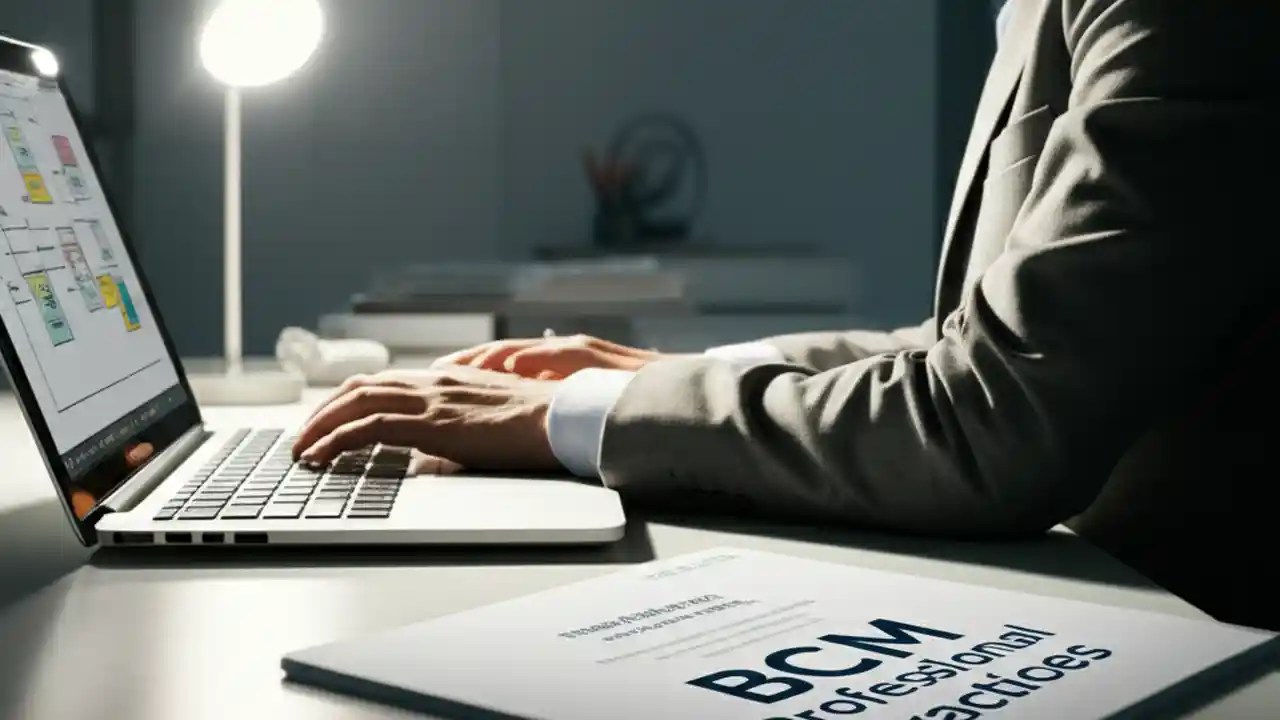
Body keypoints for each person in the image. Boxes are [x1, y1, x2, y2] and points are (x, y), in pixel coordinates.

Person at [294, 1, 1278, 629]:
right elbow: (976, 345)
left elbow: (994, 419)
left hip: (1207, 633)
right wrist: (653, 378)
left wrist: (571, 424)